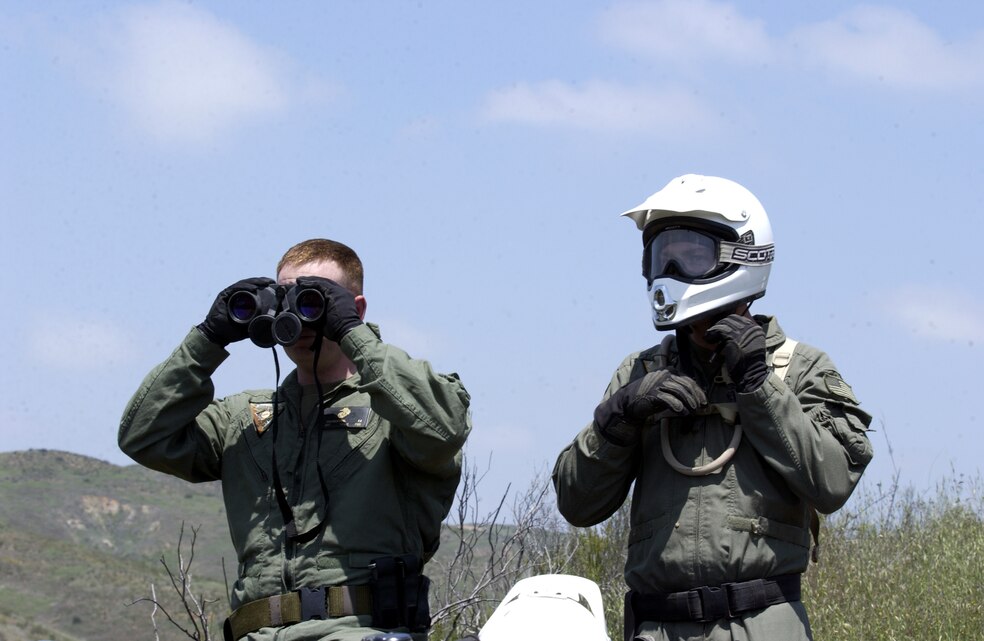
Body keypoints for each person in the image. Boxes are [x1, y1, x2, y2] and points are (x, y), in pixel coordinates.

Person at [552, 175, 873, 641]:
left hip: (761, 623)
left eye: (691, 256)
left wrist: (759, 386)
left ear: (742, 256)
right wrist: (618, 418)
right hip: (657, 626)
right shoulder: (640, 372)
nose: (671, 270)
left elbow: (833, 483)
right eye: (663, 256)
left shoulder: (799, 368)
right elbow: (577, 505)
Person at [119, 238, 472, 641]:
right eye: (288, 300)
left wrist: (353, 333)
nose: (301, 319)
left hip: (360, 631)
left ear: (355, 309)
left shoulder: (395, 413)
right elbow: (143, 436)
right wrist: (209, 338)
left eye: (316, 301)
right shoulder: (244, 418)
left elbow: (442, 426)